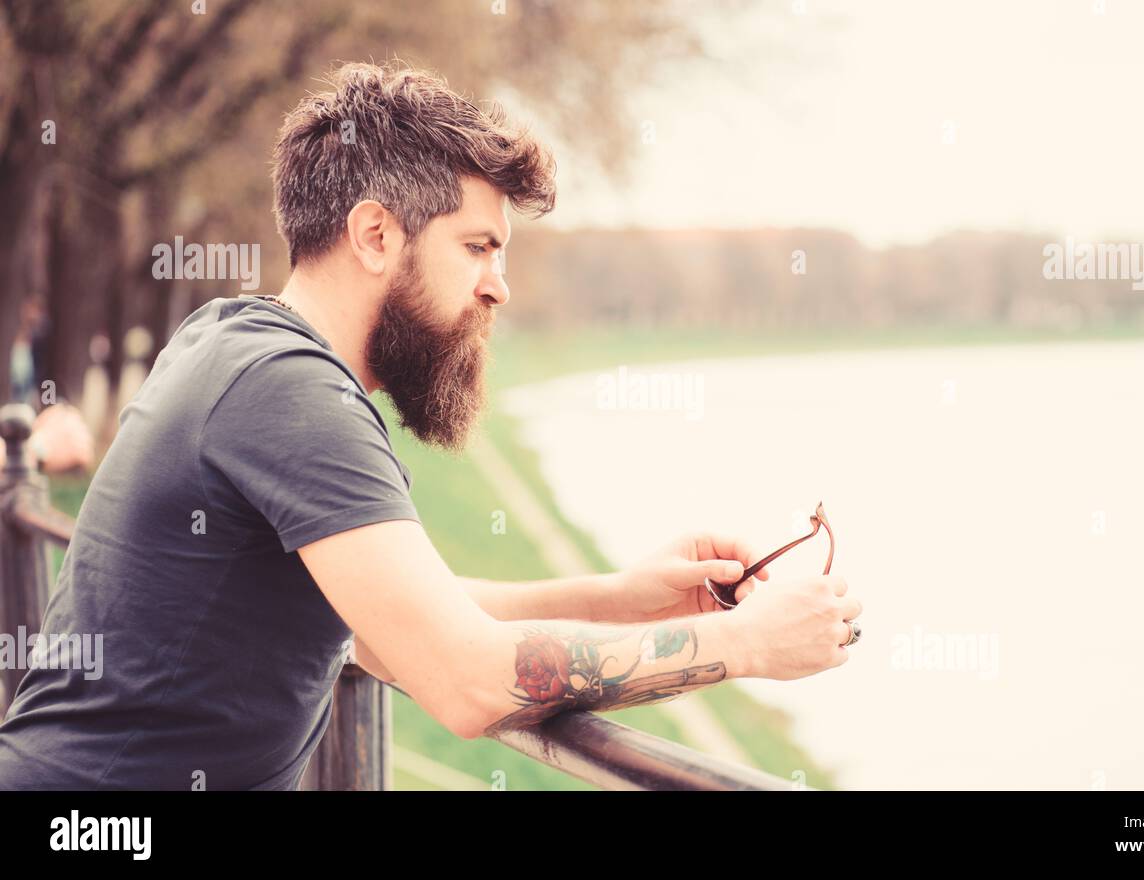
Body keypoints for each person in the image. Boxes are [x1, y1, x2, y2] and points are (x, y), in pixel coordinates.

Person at [0, 62, 860, 791]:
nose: (499, 286)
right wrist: (745, 642)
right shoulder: (289, 391)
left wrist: (618, 597)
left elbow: (388, 624)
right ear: (375, 233)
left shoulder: (233, 341)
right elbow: (466, 682)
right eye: (479, 246)